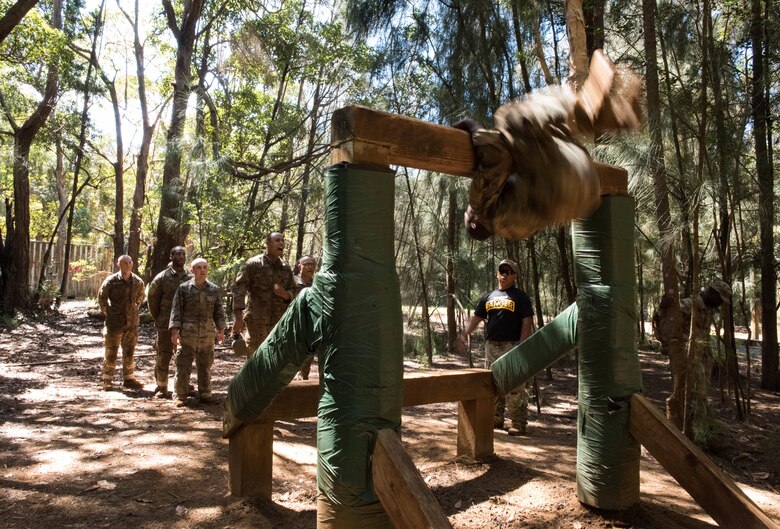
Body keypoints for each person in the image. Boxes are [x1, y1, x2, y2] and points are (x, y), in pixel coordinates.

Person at [456, 259, 534, 435]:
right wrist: (464, 334)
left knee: (514, 384)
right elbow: (476, 318)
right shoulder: (488, 297)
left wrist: (522, 344)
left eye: (508, 272)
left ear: (514, 276)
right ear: (497, 274)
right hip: (491, 346)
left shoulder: (520, 297)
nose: (504, 275)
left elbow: (527, 320)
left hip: (512, 345)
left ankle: (518, 423)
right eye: (502, 271)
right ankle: (496, 418)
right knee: (492, 383)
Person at [169, 258, 226, 406]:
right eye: (199, 268)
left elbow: (218, 311)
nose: (202, 270)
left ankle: (205, 393)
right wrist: (175, 331)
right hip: (188, 334)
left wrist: (221, 330)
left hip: (207, 334)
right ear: (192, 270)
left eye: (205, 267)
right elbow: (176, 311)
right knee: (183, 365)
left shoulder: (213, 289)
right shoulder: (183, 289)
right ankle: (180, 395)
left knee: (205, 365)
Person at [231, 232, 294, 356]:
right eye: (277, 240)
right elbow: (239, 290)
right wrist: (238, 317)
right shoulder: (253, 264)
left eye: (282, 241)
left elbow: (294, 290)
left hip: (279, 321)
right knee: (255, 357)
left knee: (275, 357)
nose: (281, 243)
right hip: (256, 321)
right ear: (268, 243)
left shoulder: (286, 268)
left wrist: (285, 294)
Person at [146, 246, 192, 398]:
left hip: (186, 324)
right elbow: (152, 298)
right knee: (163, 354)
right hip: (165, 322)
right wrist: (158, 316)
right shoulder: (162, 277)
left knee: (185, 355)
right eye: (178, 254)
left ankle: (183, 384)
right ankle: (162, 385)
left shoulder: (190, 277)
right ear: (171, 256)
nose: (181, 257)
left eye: (183, 254)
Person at [98, 254, 145, 391]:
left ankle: (129, 378)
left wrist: (136, 306)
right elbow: (102, 297)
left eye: (130, 262)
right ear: (119, 264)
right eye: (125, 263)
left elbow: (141, 295)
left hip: (131, 324)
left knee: (129, 352)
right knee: (111, 353)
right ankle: (107, 380)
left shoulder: (137, 281)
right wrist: (107, 311)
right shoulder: (111, 281)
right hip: (114, 323)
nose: (128, 265)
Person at [293, 255, 317, 379]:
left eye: (312, 264)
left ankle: (303, 380)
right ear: (299, 266)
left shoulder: (317, 284)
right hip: (294, 325)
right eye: (306, 264)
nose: (310, 267)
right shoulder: (292, 282)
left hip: (310, 325)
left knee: (307, 358)